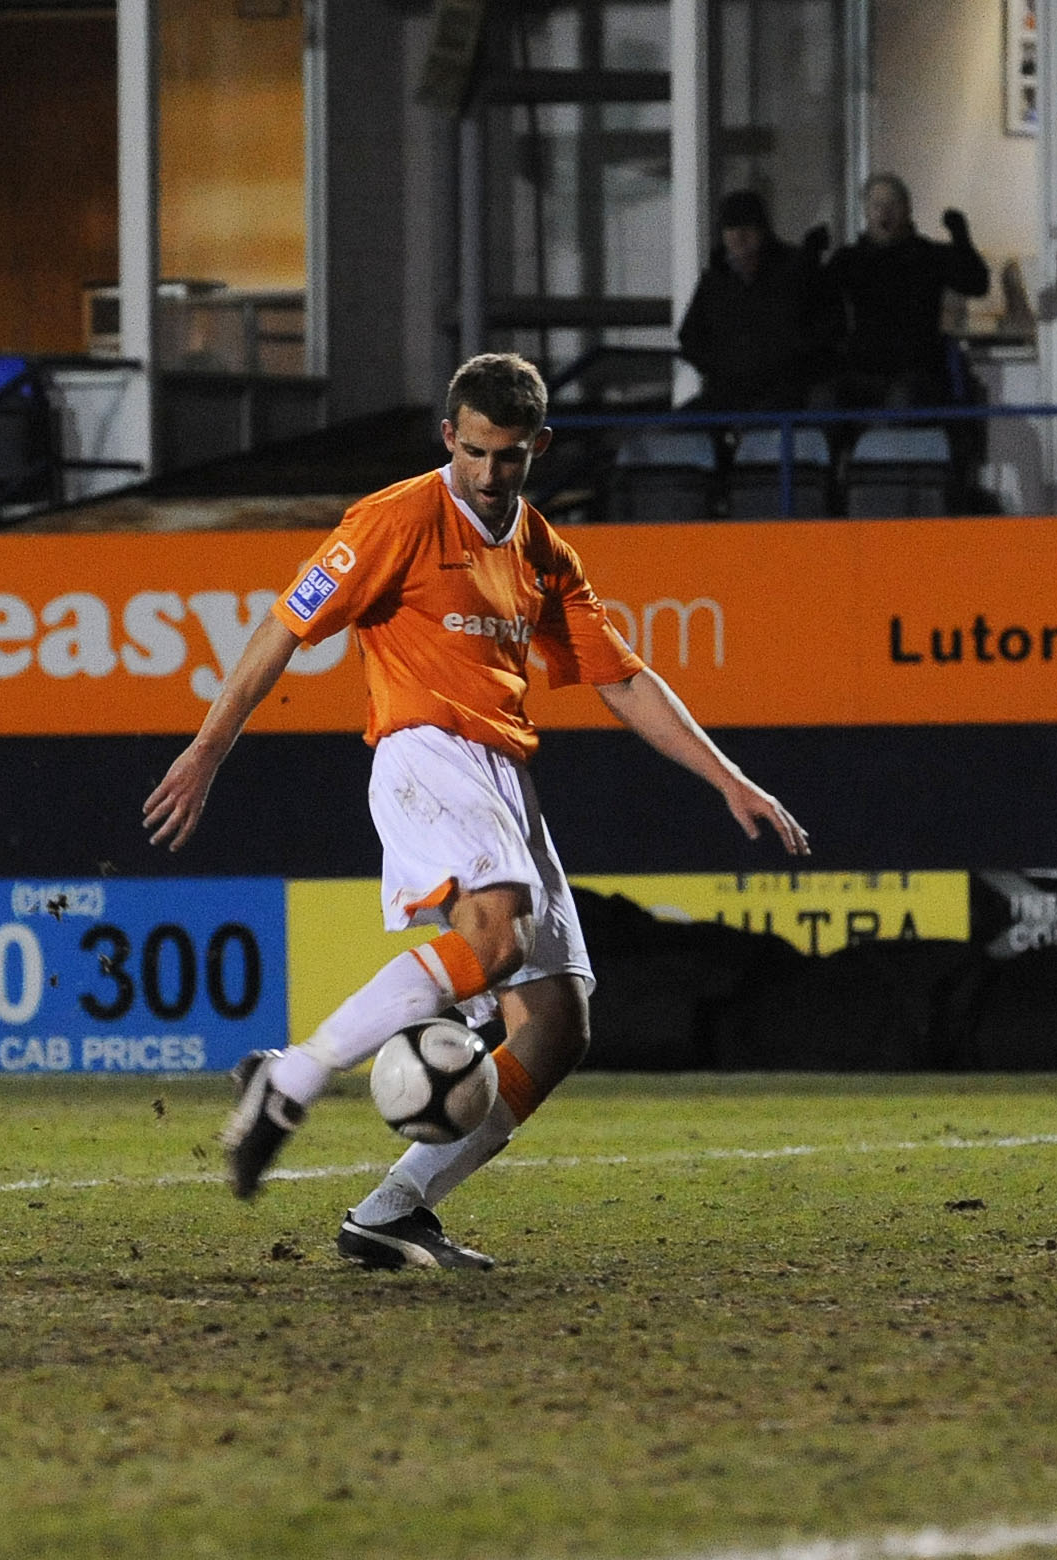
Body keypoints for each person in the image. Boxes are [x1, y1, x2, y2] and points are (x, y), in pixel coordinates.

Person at [143, 352, 810, 1272]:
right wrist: (211, 747)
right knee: (494, 941)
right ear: (448, 437)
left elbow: (622, 677)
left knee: (558, 1023)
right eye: (477, 454)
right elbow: (284, 626)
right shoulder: (396, 518)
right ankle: (286, 1078)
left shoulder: (540, 546)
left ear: (539, 446)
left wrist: (729, 777)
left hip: (503, 773)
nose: (492, 477)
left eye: (511, 457)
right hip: (426, 750)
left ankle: (392, 1210)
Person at [819, 174, 989, 409]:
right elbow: (814, 298)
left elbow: (976, 283)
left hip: (916, 372)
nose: (885, 212)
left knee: (902, 400)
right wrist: (809, 259)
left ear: (907, 209)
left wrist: (961, 239)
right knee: (824, 399)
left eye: (893, 204)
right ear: (866, 211)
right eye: (877, 205)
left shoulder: (927, 256)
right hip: (863, 370)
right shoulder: (850, 260)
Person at [677, 189, 838, 414]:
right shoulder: (715, 281)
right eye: (731, 228)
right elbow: (690, 338)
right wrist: (726, 366)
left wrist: (786, 364)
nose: (738, 236)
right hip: (726, 395)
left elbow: (824, 331)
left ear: (762, 231)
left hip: (787, 396)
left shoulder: (796, 274)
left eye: (747, 227)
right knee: (670, 434)